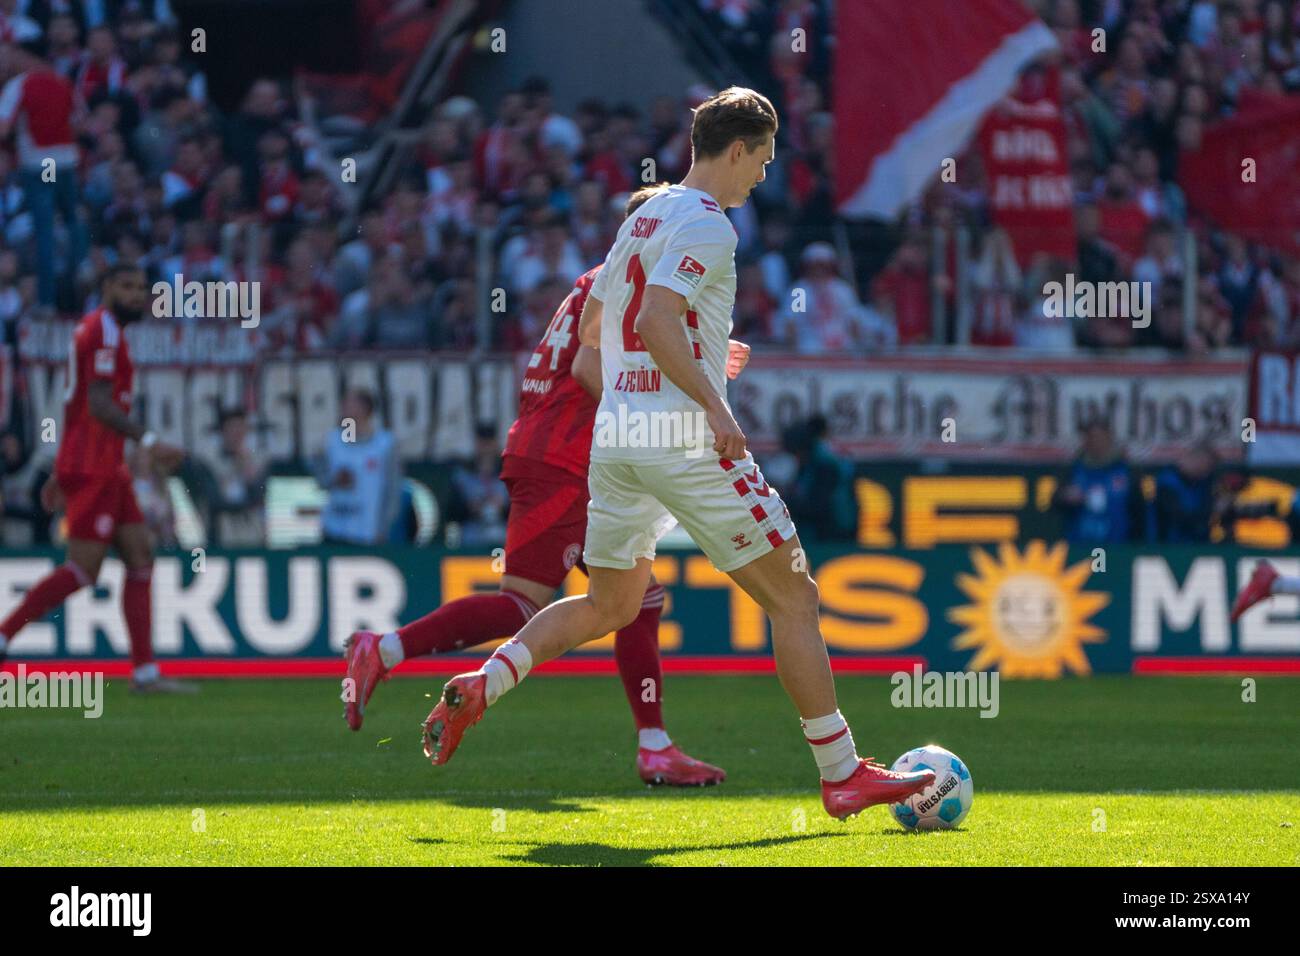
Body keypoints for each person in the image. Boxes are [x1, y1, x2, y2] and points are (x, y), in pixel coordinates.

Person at [420, 87, 934, 820]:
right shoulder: (708, 226)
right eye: (762, 158)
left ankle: (484, 682)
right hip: (681, 439)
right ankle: (842, 771)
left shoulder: (644, 218)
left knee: (607, 602)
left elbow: (594, 347)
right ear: (736, 150)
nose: (765, 172)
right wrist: (711, 402)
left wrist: (687, 364)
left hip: (619, 440)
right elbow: (659, 317)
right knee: (795, 597)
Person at [342, 184, 728, 787]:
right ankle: (386, 649)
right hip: (567, 460)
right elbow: (588, 367)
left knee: (614, 599)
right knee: (551, 601)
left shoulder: (598, 281)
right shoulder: (628, 285)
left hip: (546, 450)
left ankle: (655, 743)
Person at [0, 264, 195, 692]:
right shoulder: (103, 330)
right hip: (94, 466)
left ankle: (145, 672)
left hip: (103, 465)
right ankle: (4, 633)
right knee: (84, 570)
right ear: (105, 288)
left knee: (140, 557)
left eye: (142, 289)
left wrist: (61, 467)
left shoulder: (101, 330)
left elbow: (79, 405)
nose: (136, 295)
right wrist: (149, 439)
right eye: (126, 287)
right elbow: (98, 405)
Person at [317, 388, 401, 547]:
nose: (343, 407)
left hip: (367, 533)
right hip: (334, 529)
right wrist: (333, 480)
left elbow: (393, 488)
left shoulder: (384, 444)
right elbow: (321, 480)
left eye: (349, 403)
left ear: (363, 409)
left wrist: (383, 527)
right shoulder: (333, 440)